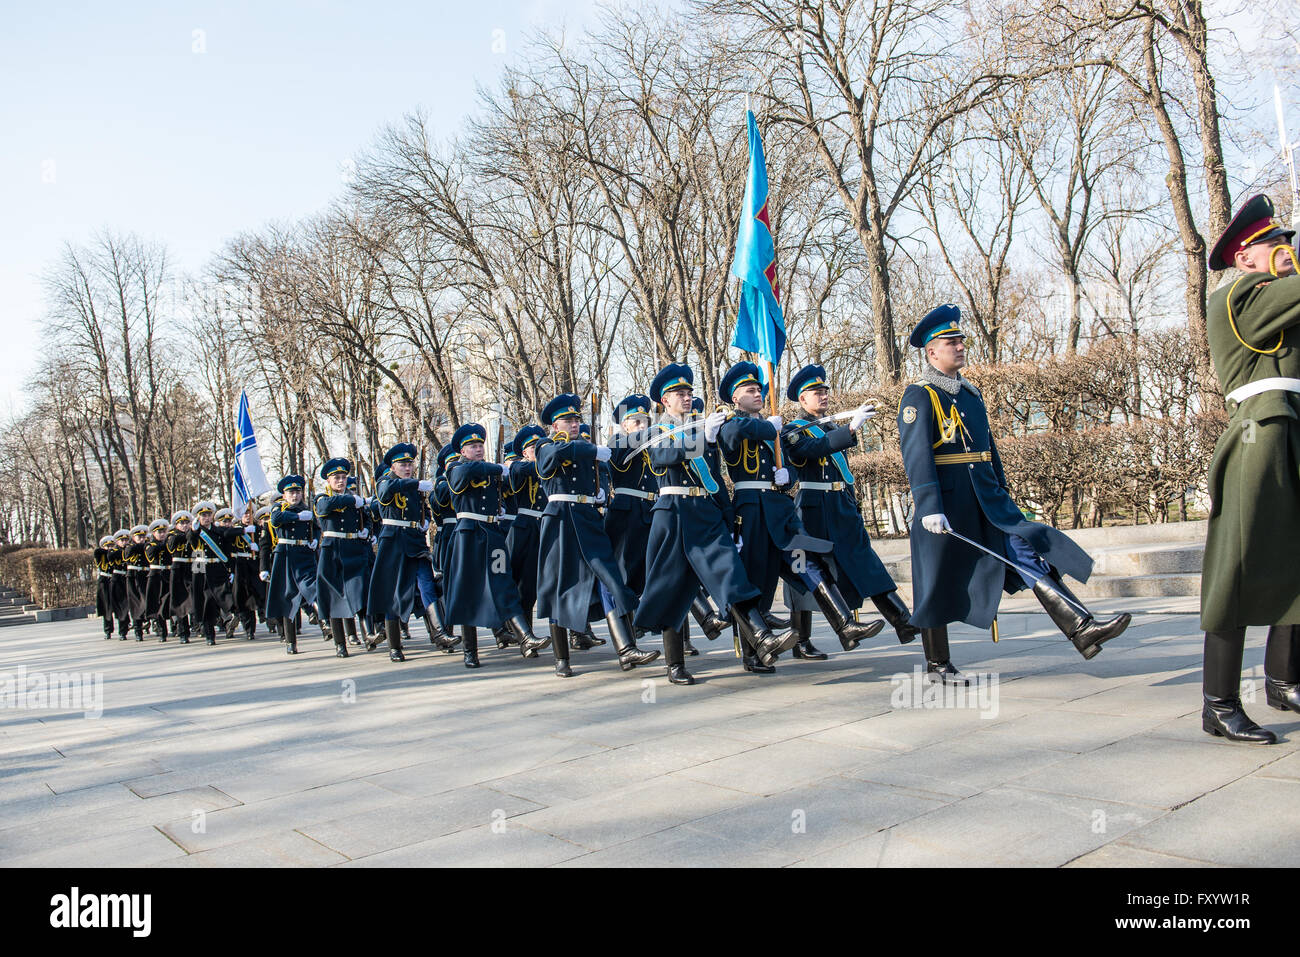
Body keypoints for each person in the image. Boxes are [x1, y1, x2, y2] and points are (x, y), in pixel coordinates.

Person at [897, 304, 1131, 685]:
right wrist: (928, 505)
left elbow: (989, 450)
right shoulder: (919, 396)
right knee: (936, 581)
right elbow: (917, 453)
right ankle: (938, 664)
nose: (959, 346)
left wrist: (1002, 493)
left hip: (987, 502)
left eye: (960, 340)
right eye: (950, 341)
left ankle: (1082, 628)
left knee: (1027, 550)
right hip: (947, 505)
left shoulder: (970, 394)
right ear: (931, 351)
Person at [1199, 194, 1300, 743]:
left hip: (1291, 430)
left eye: (1287, 240)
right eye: (1272, 243)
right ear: (1243, 257)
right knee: (1235, 572)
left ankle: (1284, 679)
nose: (1284, 249)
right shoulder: (1236, 294)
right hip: (1257, 435)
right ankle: (1219, 703)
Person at [634, 362, 790, 682]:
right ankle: (675, 664)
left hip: (704, 512)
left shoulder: (702, 428)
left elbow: (714, 478)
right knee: (673, 589)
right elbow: (663, 457)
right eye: (680, 393)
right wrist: (703, 437)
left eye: (689, 392)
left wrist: (728, 517)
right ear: (665, 401)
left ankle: (761, 637)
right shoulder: (655, 431)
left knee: (731, 575)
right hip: (673, 512)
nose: (687, 397)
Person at [718, 361, 878, 660]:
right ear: (735, 398)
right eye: (750, 390)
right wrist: (769, 427)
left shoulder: (773, 430)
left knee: (809, 564)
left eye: (760, 390)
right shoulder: (733, 424)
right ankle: (754, 655)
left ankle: (846, 625)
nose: (758, 394)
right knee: (754, 581)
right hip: (751, 513)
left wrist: (786, 476)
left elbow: (792, 468)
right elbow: (733, 434)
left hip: (780, 513)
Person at [781, 365, 919, 660]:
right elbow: (811, 450)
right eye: (816, 392)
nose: (824, 396)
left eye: (825, 391)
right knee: (809, 573)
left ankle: (903, 621)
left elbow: (841, 469)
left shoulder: (832, 427)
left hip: (840, 505)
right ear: (802, 400)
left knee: (866, 564)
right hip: (813, 508)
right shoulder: (794, 429)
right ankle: (801, 641)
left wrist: (852, 503)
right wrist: (852, 428)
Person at [534, 393, 658, 673]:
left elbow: (602, 473)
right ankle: (562, 659)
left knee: (610, 580)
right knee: (559, 588)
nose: (574, 424)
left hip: (588, 518)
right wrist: (590, 451)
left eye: (577, 419)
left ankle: (626, 650)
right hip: (561, 521)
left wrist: (600, 491)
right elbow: (550, 459)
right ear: (555, 425)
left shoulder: (586, 448)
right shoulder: (546, 445)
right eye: (568, 420)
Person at [444, 423, 550, 669]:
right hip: (468, 536)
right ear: (462, 450)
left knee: (504, 583)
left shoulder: (491, 472)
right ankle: (470, 651)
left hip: (492, 536)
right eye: (472, 446)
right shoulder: (456, 468)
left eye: (480, 444)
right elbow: (462, 476)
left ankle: (525, 635)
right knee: (467, 592)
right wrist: (497, 468)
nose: (478, 448)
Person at [366, 444, 433, 662]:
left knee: (427, 584)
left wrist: (425, 521)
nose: (407, 468)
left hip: (415, 541)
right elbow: (385, 493)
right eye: (402, 464)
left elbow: (423, 510)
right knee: (393, 594)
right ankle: (394, 646)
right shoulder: (385, 481)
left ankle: (440, 632)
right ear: (393, 467)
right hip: (393, 542)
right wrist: (414, 483)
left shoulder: (414, 487)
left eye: (409, 464)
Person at [313, 458, 372, 658]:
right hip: (331, 550)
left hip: (353, 548)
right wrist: (352, 500)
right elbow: (323, 509)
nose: (340, 481)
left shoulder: (356, 498)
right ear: (328, 481)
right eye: (336, 478)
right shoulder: (322, 497)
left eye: (343, 477)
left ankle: (369, 634)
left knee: (360, 591)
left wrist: (367, 531)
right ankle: (340, 643)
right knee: (334, 597)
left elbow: (368, 518)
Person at [267, 477, 321, 655]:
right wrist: (296, 516)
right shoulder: (279, 507)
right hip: (286, 554)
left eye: (297, 492)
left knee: (313, 587)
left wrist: (314, 540)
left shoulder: (307, 509)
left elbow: (317, 527)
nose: (295, 495)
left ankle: (323, 619)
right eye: (291, 492)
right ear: (284, 494)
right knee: (288, 598)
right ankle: (290, 641)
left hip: (304, 553)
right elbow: (275, 520)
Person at [166, 512, 195, 643]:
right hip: (178, 569)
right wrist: (187, 534)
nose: (184, 525)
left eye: (186, 523)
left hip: (191, 567)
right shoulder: (172, 536)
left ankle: (199, 627)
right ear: (176, 525)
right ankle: (183, 632)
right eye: (181, 523)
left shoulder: (193, 534)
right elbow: (171, 546)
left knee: (195, 598)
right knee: (180, 601)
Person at [143, 519, 172, 642]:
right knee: (157, 604)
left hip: (167, 573)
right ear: (153, 533)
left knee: (167, 602)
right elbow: (151, 554)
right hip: (155, 575)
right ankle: (162, 631)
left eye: (164, 531)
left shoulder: (168, 542)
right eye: (159, 532)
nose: (162, 534)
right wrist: (164, 544)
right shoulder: (150, 545)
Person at [124, 525, 150, 641]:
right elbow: (127, 554)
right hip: (133, 576)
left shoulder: (147, 546)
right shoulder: (129, 547)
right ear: (133, 537)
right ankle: (138, 630)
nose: (141, 539)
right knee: (135, 603)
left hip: (145, 575)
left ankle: (146, 620)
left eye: (143, 536)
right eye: (138, 536)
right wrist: (142, 546)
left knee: (146, 600)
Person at [94, 534, 116, 639]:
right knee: (106, 607)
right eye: (108, 546)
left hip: (114, 579)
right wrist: (108, 551)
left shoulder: (115, 554)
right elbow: (97, 551)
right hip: (104, 580)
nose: (110, 548)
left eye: (112, 546)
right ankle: (108, 630)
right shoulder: (100, 554)